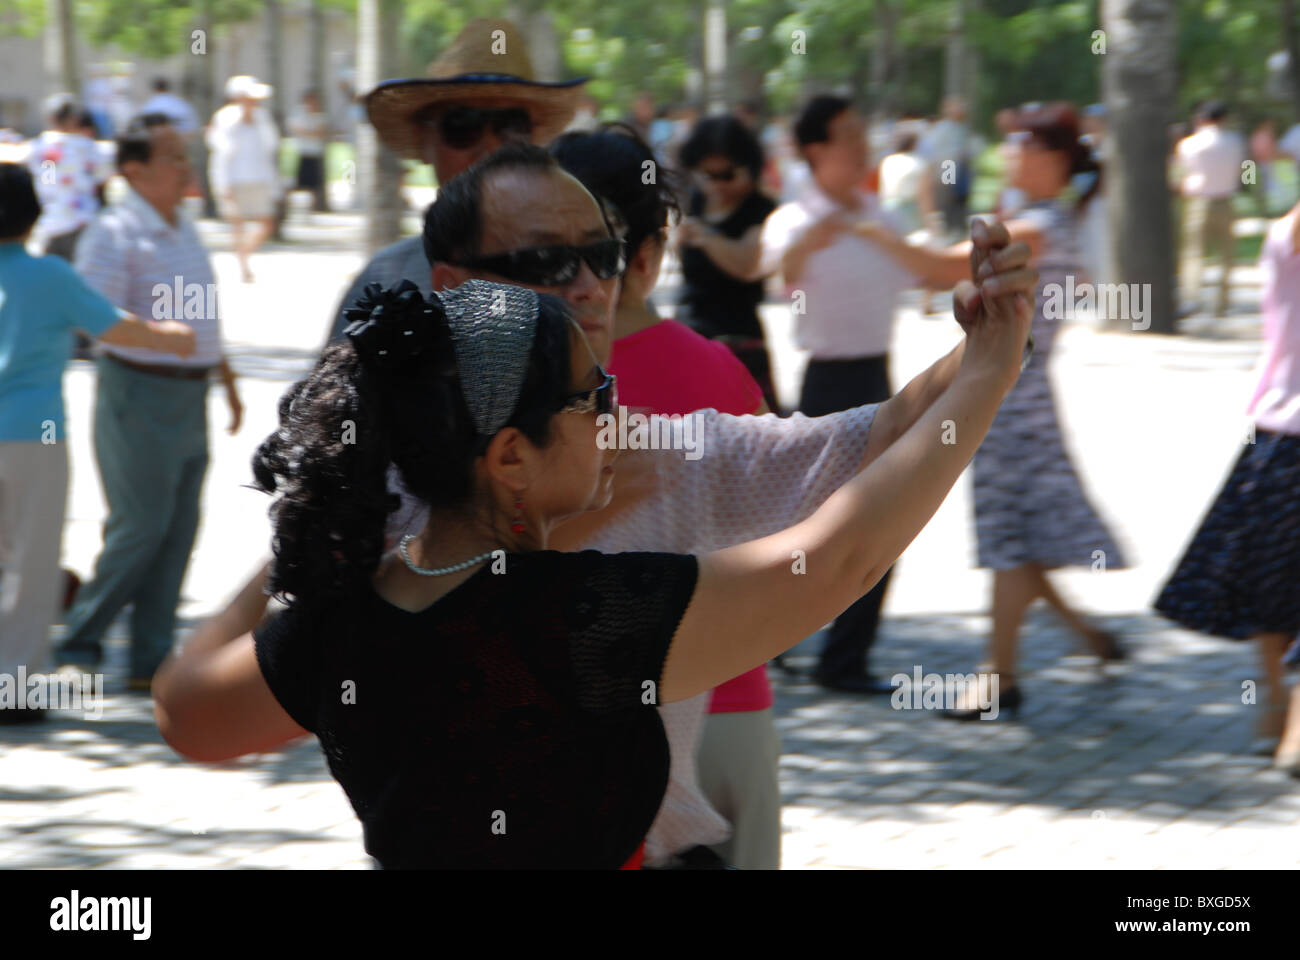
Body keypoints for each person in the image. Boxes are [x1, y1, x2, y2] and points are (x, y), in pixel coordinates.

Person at [152, 201, 1034, 868]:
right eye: (591, 398)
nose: (615, 408)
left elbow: (186, 712)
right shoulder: (576, 621)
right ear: (510, 457)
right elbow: (842, 556)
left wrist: (323, 523)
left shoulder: (342, 618)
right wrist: (993, 368)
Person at [550, 124, 781, 868]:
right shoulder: (717, 371)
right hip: (727, 698)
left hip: (571, 718)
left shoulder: (518, 383)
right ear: (652, 253)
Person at [862, 102, 1128, 719]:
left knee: (1011, 537)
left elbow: (938, 271)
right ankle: (1079, 637)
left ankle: (998, 677)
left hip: (1015, 403)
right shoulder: (1044, 221)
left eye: (1021, 145)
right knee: (1018, 536)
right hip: (1015, 399)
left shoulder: (1035, 229)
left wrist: (864, 229)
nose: (1009, 153)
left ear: (1055, 161)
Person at [757, 95, 988, 695]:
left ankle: (844, 661)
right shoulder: (793, 216)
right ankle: (765, 640)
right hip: (824, 383)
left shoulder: (876, 216)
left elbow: (934, 270)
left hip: (879, 382)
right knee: (799, 529)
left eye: (863, 134)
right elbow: (780, 271)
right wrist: (820, 234)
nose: (863, 147)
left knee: (883, 522)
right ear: (816, 150)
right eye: (849, 136)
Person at [0, 163, 195, 724]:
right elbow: (114, 328)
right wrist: (175, 337)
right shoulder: (51, 276)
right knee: (31, 562)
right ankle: (14, 686)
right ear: (33, 213)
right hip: (33, 434)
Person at [53, 115, 242, 693]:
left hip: (190, 393)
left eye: (185, 155)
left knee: (180, 524)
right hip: (138, 391)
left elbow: (203, 313)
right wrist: (161, 336)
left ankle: (150, 655)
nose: (184, 166)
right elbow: (94, 318)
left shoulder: (181, 225)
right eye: (171, 157)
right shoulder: (113, 231)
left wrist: (225, 374)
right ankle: (81, 640)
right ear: (134, 170)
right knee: (141, 525)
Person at [324, 17, 587, 346]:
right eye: (462, 125)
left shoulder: (589, 278)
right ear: (425, 139)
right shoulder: (383, 283)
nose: (490, 146)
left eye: (510, 125)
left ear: (533, 140)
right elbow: (333, 395)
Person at [1156, 198, 1300, 764]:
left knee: (1275, 585)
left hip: (1278, 433)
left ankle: (1280, 717)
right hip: (1284, 433)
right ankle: (1282, 718)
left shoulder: (1281, 231)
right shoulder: (1288, 231)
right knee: (1274, 586)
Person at [675, 114, 780, 412]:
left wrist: (706, 237)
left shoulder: (762, 208)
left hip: (739, 342)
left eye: (727, 175)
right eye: (708, 176)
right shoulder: (694, 201)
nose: (717, 185)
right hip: (690, 336)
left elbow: (748, 265)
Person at [1174, 100, 1245, 318]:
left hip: (1199, 202)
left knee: (1194, 254)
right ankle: (1222, 303)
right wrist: (1244, 185)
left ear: (1201, 118)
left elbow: (1179, 175)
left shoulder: (1189, 144)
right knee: (1227, 255)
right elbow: (1247, 168)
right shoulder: (1236, 141)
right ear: (1224, 118)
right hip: (1226, 200)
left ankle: (1191, 299)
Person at [207, 75, 280, 284]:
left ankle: (244, 253)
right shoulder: (225, 118)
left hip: (260, 177)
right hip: (235, 178)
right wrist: (222, 183)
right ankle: (243, 267)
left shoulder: (262, 118)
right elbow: (221, 152)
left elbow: (271, 146)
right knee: (237, 224)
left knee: (266, 223)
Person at [25, 94, 111, 260]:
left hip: (50, 224)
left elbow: (46, 183)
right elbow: (102, 182)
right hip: (85, 223)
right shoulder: (89, 148)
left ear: (50, 118)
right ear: (74, 118)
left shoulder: (38, 148)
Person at [288, 88, 329, 213]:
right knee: (299, 182)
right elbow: (296, 128)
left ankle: (315, 207)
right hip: (303, 151)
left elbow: (322, 132)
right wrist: (311, 133)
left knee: (316, 182)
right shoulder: (299, 113)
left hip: (316, 152)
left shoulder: (321, 116)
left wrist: (308, 132)